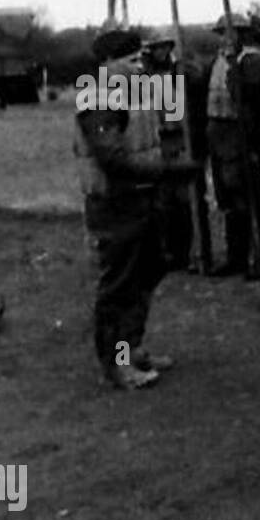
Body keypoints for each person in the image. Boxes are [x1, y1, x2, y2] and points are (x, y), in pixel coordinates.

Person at [75, 26, 200, 389]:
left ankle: (131, 347)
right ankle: (116, 365)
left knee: (147, 274)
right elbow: (112, 159)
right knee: (120, 285)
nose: (139, 66)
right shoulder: (97, 97)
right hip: (115, 205)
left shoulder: (135, 91)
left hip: (143, 199)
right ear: (109, 63)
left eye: (139, 59)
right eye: (130, 61)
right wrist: (169, 172)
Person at [204, 13, 260, 278]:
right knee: (227, 200)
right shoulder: (216, 60)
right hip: (218, 133)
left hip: (242, 135)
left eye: (231, 33)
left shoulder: (250, 61)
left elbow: (255, 101)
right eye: (222, 34)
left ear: (241, 34)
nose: (226, 39)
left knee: (253, 201)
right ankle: (236, 256)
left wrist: (254, 143)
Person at [140, 28, 206, 273]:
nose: (160, 52)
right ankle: (169, 252)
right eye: (155, 48)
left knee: (186, 200)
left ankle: (191, 252)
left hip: (182, 139)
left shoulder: (182, 72)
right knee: (163, 202)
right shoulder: (145, 76)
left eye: (164, 47)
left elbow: (198, 84)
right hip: (159, 140)